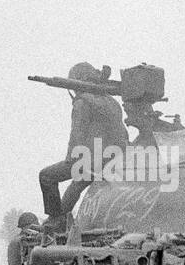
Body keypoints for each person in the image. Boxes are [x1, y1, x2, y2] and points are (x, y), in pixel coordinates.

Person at [37, 62, 129, 227]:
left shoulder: (82, 102)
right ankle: (60, 218)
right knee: (78, 182)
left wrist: (71, 161)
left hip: (92, 160)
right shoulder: (112, 102)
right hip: (116, 158)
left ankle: (56, 219)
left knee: (46, 176)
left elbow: (76, 136)